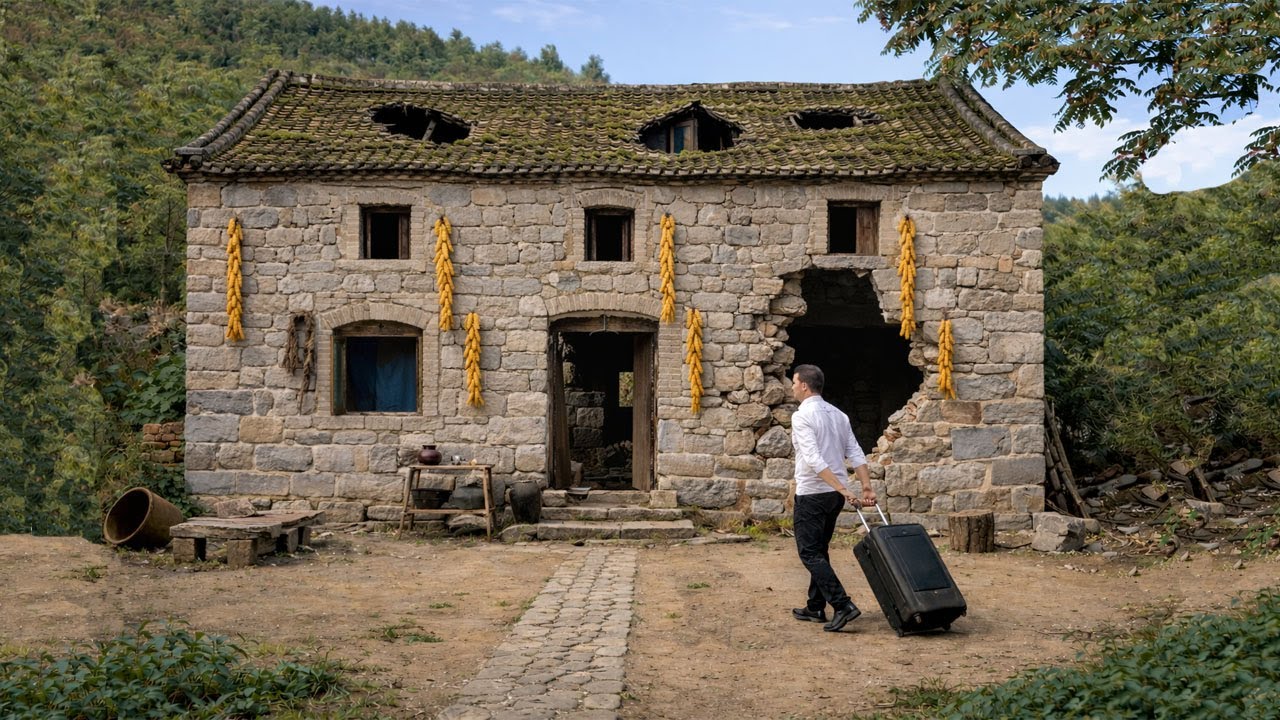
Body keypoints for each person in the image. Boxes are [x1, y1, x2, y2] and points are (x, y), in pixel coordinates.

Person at [788, 363, 876, 632]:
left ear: (804, 385)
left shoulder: (802, 416)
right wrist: (866, 486)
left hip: (813, 494)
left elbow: (813, 459)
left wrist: (843, 489)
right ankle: (815, 606)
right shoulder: (839, 415)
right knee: (820, 549)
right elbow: (856, 452)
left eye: (794, 382)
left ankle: (842, 604)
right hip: (832, 497)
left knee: (809, 552)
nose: (792, 387)